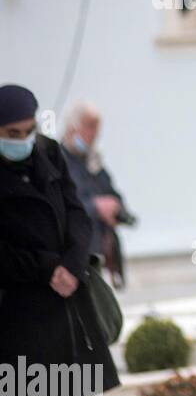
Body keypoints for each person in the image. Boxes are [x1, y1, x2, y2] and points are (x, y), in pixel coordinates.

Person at [0, 84, 120, 396]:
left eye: (29, 131)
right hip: (11, 319)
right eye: (12, 133)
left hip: (63, 313)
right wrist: (46, 268)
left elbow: (78, 213)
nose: (23, 140)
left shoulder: (48, 154)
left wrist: (71, 262)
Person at [61, 101, 133, 288]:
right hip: (75, 258)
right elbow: (60, 205)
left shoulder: (94, 163)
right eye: (89, 128)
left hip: (103, 256)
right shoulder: (57, 162)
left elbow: (114, 195)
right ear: (72, 128)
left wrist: (117, 210)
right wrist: (96, 207)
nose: (93, 135)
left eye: (96, 129)